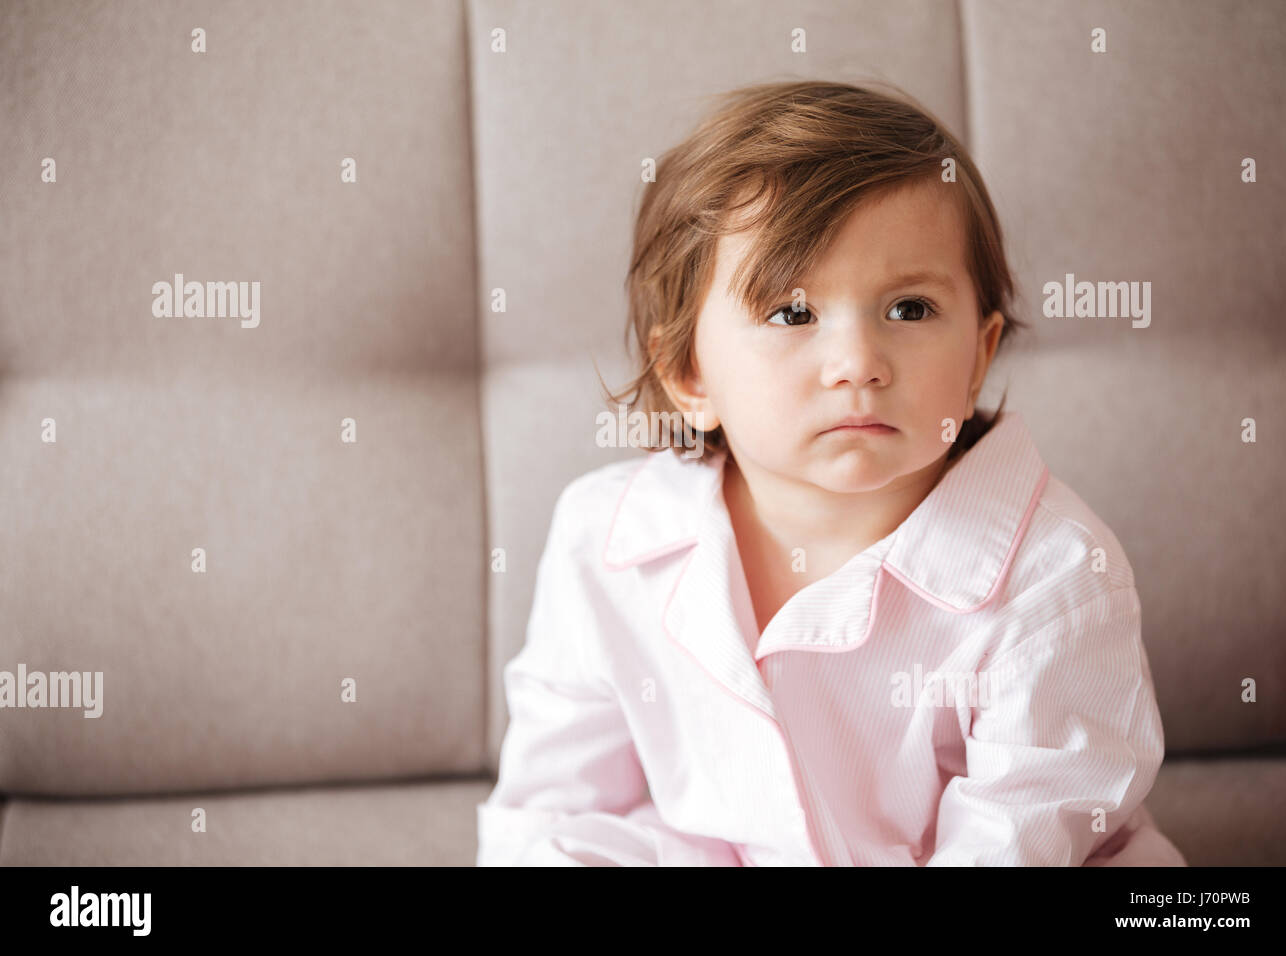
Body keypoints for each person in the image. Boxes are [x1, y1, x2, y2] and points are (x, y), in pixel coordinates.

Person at [477, 80, 1187, 866]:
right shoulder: (606, 538)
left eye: (910, 309)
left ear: (979, 356)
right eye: (793, 314)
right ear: (689, 374)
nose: (857, 363)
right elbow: (555, 807)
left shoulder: (1056, 574)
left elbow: (1014, 837)